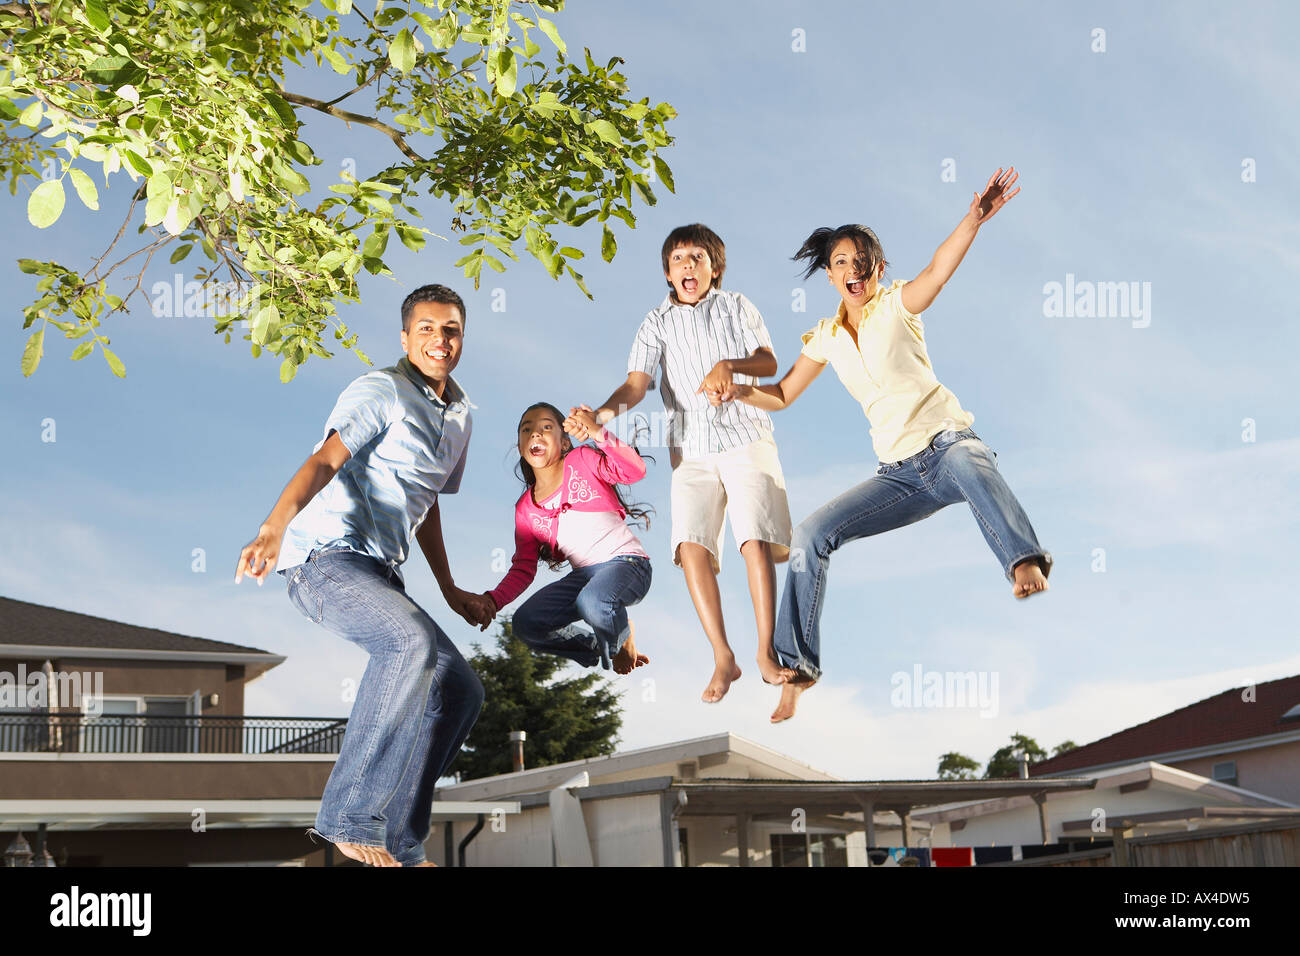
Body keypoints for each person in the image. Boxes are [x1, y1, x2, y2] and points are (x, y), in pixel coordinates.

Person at [718, 168, 1052, 723]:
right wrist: (739, 390)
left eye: (863, 260)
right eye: (842, 262)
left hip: (946, 445)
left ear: (878, 268)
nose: (854, 270)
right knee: (810, 535)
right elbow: (782, 393)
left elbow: (938, 269)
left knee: (973, 461)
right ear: (829, 273)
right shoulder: (824, 337)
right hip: (897, 477)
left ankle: (1022, 561)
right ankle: (797, 668)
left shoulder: (898, 304)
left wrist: (973, 219)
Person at [235, 283, 489, 867]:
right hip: (322, 561)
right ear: (406, 336)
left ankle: (401, 837)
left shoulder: (462, 416)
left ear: (461, 338)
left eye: (449, 329)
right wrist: (274, 526)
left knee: (460, 690)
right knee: (407, 642)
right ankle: (350, 815)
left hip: (380, 573)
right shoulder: (381, 390)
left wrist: (450, 589)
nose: (439, 340)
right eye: (425, 328)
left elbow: (427, 505)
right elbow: (326, 458)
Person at [592, 224, 797, 703]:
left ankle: (766, 653)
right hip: (691, 449)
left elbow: (768, 362)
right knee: (690, 547)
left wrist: (731, 366)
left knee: (754, 539)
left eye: (698, 257)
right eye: (679, 258)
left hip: (746, 437)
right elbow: (636, 385)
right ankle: (724, 656)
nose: (688, 265)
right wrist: (601, 414)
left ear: (715, 268)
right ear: (667, 271)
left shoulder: (736, 305)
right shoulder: (655, 322)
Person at [476, 402, 653, 674]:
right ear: (521, 446)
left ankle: (619, 637)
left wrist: (597, 432)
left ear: (565, 442)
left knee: (593, 601)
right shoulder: (525, 509)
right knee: (526, 622)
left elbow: (634, 471)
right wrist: (493, 600)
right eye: (527, 430)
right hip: (584, 580)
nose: (535, 434)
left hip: (627, 565)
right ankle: (599, 644)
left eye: (546, 428)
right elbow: (523, 568)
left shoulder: (581, 460)